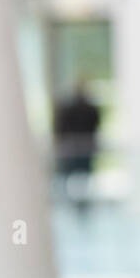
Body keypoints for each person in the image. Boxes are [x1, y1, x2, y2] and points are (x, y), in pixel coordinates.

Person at [52, 78, 102, 212]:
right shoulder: (86, 108)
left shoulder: (72, 108)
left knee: (77, 177)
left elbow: (60, 127)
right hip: (78, 148)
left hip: (75, 148)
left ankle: (78, 206)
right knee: (79, 177)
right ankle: (78, 206)